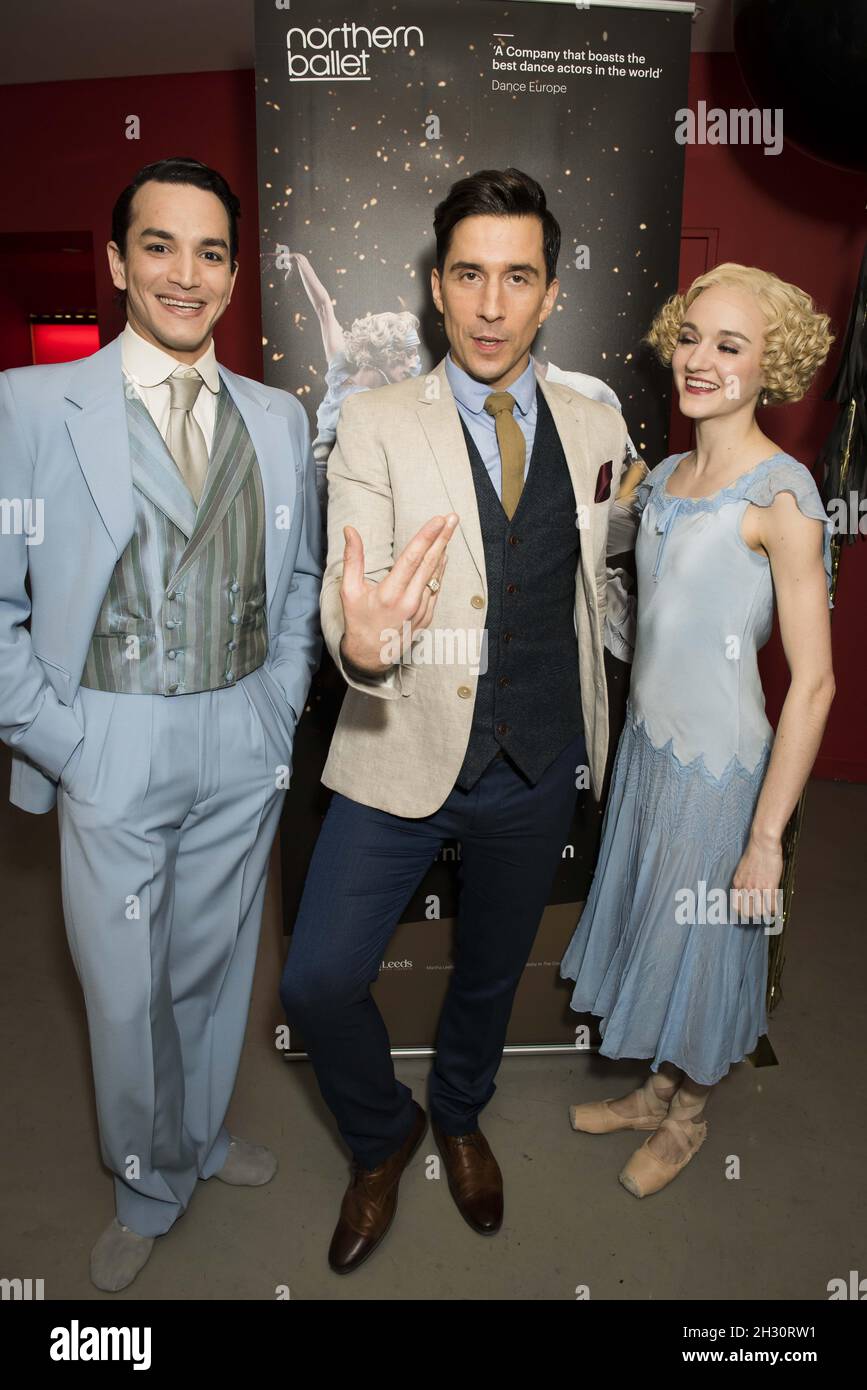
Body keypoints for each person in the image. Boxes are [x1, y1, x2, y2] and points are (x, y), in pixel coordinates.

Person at [280, 166, 646, 1274]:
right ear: (439, 288)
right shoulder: (378, 422)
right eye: (470, 275)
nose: (492, 305)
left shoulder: (596, 421)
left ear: (548, 293)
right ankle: (383, 1136)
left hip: (537, 758)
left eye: (518, 277)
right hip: (400, 746)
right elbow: (357, 584)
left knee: (490, 970)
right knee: (317, 979)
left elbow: (609, 584)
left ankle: (459, 1110)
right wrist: (363, 640)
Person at [0, 157, 322, 1289]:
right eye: (159, 245)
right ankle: (145, 1175)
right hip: (108, 735)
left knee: (216, 965)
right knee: (123, 984)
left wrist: (278, 702)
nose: (186, 274)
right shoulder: (30, 406)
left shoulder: (282, 419)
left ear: (234, 273)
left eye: (212, 251)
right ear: (117, 261)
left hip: (242, 731)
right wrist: (61, 735)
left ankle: (202, 1135)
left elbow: (300, 583)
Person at [561, 262, 835, 1197]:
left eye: (731, 345)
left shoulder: (783, 497)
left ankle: (686, 1118)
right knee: (654, 928)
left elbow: (814, 685)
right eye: (690, 336)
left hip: (721, 776)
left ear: (771, 367)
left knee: (704, 947)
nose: (700, 360)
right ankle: (655, 1089)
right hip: (649, 755)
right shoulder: (668, 475)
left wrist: (764, 841)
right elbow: (650, 625)